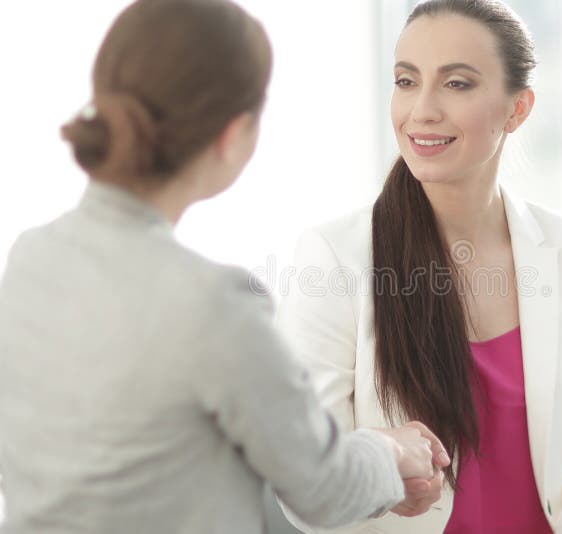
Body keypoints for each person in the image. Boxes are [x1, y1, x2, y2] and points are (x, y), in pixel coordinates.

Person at [0, 1, 450, 533]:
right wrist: (391, 451)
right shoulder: (214, 305)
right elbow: (323, 489)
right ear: (234, 135)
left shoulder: (31, 257)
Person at [278, 0, 562, 532]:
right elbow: (306, 489)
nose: (422, 110)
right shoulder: (334, 258)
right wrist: (382, 460)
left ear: (517, 109)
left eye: (457, 84)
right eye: (406, 81)